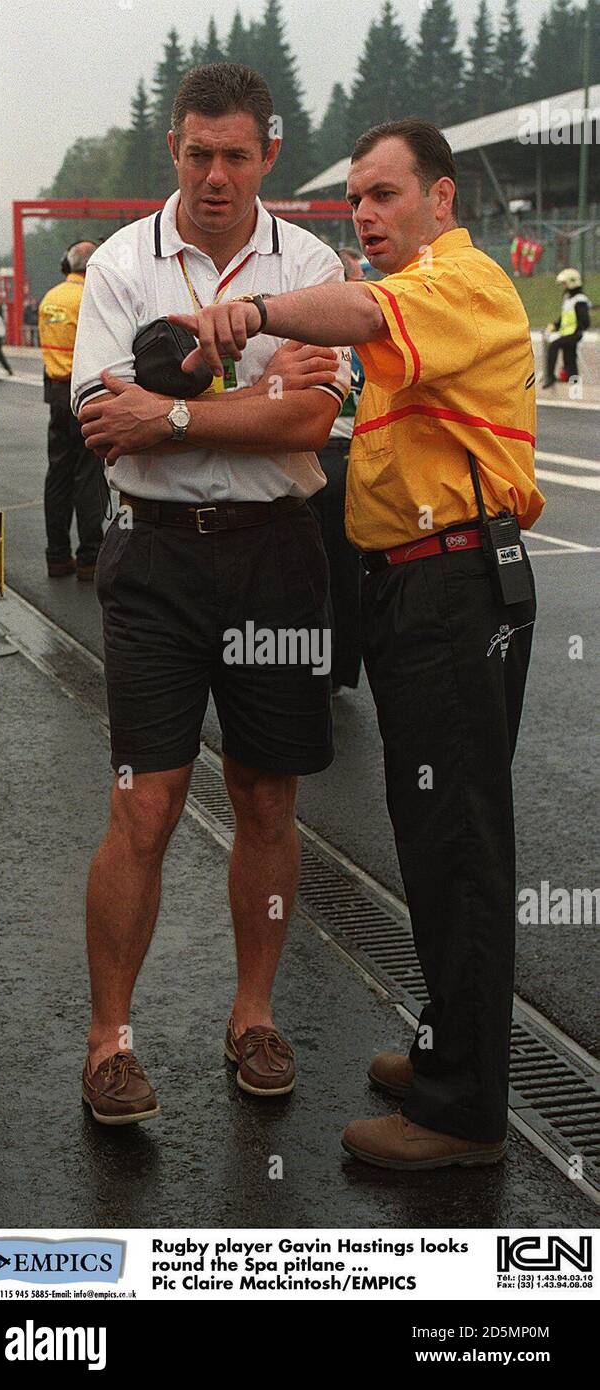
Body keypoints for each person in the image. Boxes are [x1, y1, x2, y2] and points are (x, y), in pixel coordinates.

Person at [167, 118, 546, 1172]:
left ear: (443, 200)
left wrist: (249, 309)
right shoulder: (410, 312)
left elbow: (367, 306)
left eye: (386, 195)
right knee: (431, 837)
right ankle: (444, 1048)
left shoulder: (459, 285)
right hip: (414, 589)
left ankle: (464, 1112)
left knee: (459, 849)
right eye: (357, 202)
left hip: (456, 588)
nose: (366, 216)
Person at [72, 62, 349, 1124]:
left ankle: (253, 1014)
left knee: (267, 799)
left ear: (269, 154)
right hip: (155, 563)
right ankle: (110, 1043)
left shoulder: (314, 261)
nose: (217, 173)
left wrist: (175, 405)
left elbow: (306, 425)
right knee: (145, 802)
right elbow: (106, 418)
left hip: (277, 552)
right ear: (173, 152)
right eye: (199, 153)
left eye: (238, 154)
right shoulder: (122, 264)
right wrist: (253, 387)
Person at [309, 249, 364, 693]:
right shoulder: (374, 332)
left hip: (316, 455)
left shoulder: (314, 330)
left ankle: (316, 669)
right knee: (350, 572)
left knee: (312, 571)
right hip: (358, 461)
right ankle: (344, 667)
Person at [38, 240, 105, 579]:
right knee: (89, 476)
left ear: (67, 264)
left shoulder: (51, 298)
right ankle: (91, 557)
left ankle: (57, 556)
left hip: (55, 394)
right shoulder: (90, 298)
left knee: (58, 475)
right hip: (84, 393)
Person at [542, 267, 591, 388]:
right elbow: (564, 319)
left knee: (554, 345)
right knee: (569, 357)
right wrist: (554, 326)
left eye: (564, 283)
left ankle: (550, 377)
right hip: (568, 334)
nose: (563, 286)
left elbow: (585, 321)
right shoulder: (569, 299)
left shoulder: (579, 300)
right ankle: (573, 379)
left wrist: (577, 329)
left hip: (574, 334)